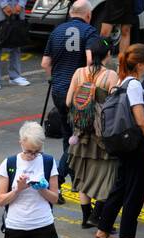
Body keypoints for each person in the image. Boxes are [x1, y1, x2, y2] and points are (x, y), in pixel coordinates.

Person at [93, 45, 144, 238]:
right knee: (135, 192)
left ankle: (102, 232)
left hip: (121, 142)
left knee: (120, 187)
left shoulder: (120, 82)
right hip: (135, 143)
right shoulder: (135, 86)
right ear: (139, 65)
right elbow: (140, 119)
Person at [41, 0, 98, 182]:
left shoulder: (56, 31)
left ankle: (74, 178)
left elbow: (45, 63)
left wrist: (54, 77)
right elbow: (90, 61)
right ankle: (57, 179)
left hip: (58, 90)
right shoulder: (89, 31)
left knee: (68, 135)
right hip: (79, 93)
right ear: (88, 15)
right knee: (80, 137)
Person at [65, 38, 117, 231]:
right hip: (101, 137)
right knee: (107, 177)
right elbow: (113, 105)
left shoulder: (79, 73)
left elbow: (68, 101)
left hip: (80, 136)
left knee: (83, 176)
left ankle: (86, 217)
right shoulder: (110, 75)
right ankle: (97, 216)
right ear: (107, 55)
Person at [0, 0, 29, 90]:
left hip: (18, 4)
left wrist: (21, 4)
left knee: (17, 39)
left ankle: (15, 76)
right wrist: (4, 4)